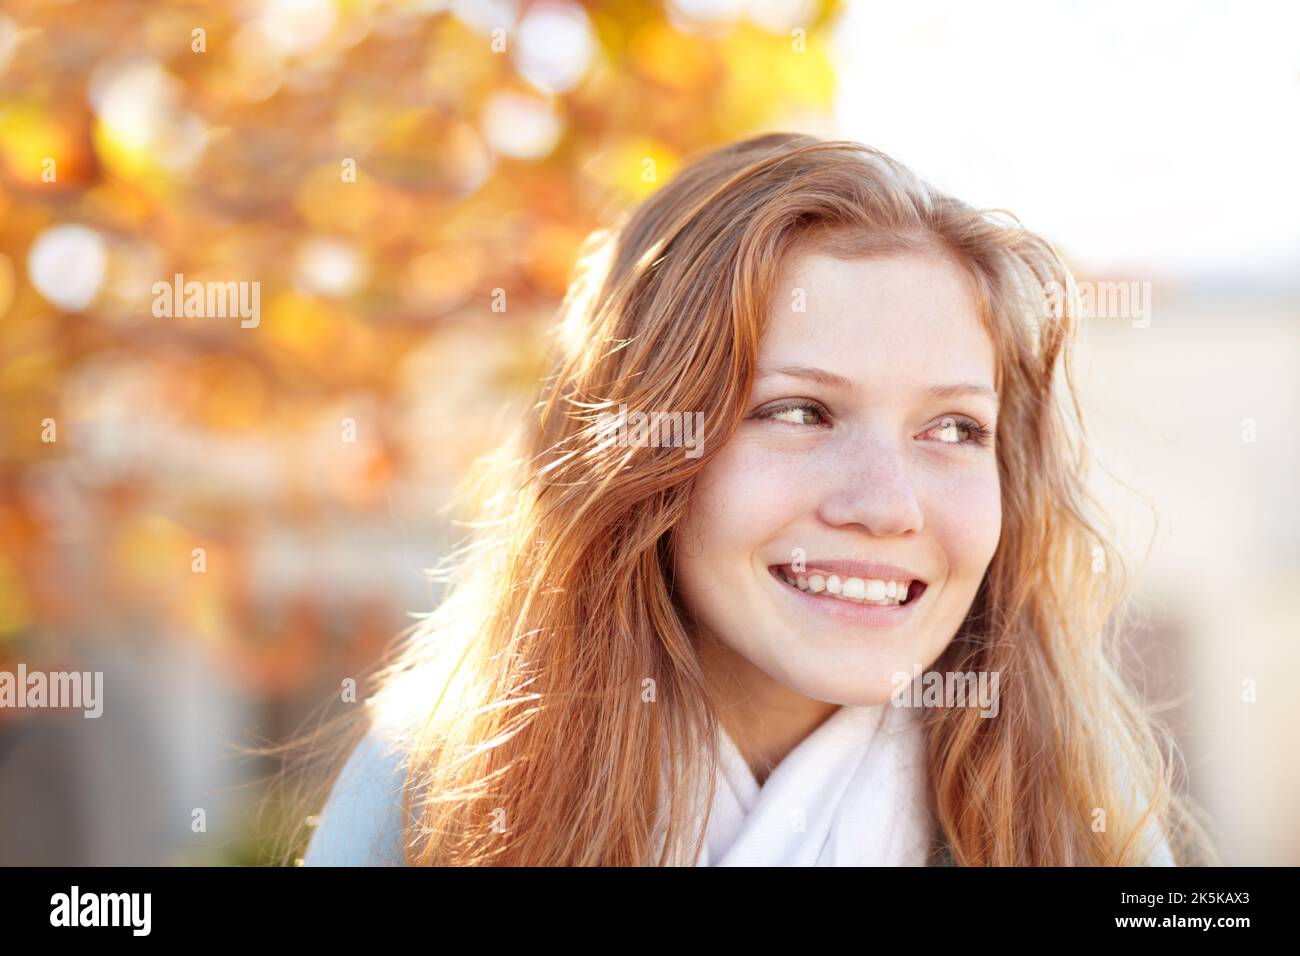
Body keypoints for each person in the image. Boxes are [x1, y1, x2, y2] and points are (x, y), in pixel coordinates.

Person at [296, 132, 1216, 866]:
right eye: (800, 411)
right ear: (643, 453)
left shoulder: (1073, 815)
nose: (887, 506)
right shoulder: (438, 793)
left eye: (953, 430)